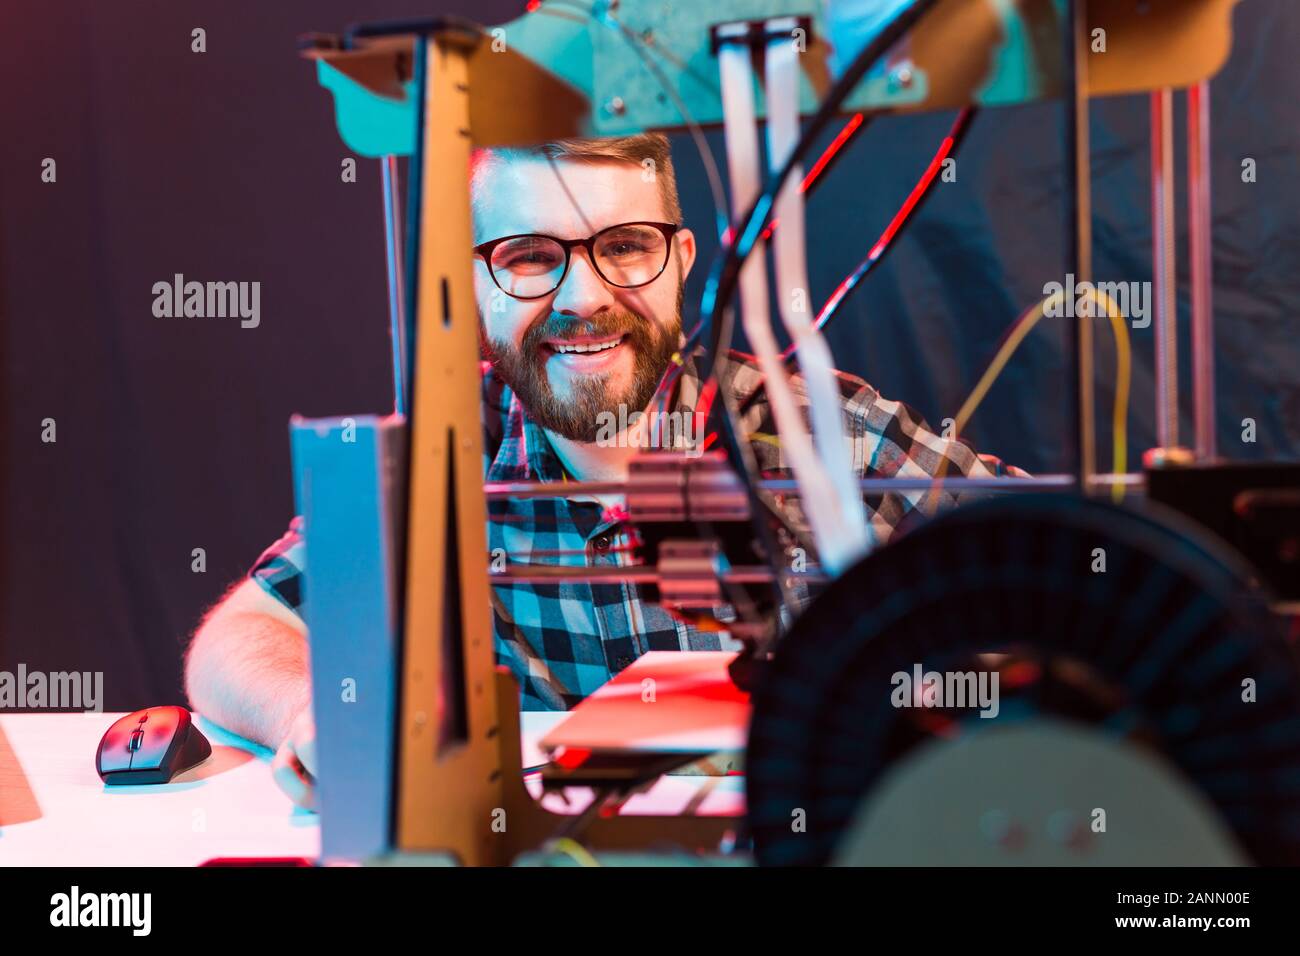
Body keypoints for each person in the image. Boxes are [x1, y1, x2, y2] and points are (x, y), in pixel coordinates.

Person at [184, 133, 1026, 809]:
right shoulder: (435, 462)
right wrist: (307, 710)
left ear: (685, 259)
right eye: (527, 254)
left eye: (624, 247)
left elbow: (1068, 560)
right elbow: (234, 641)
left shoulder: (818, 433)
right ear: (473, 279)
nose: (582, 296)